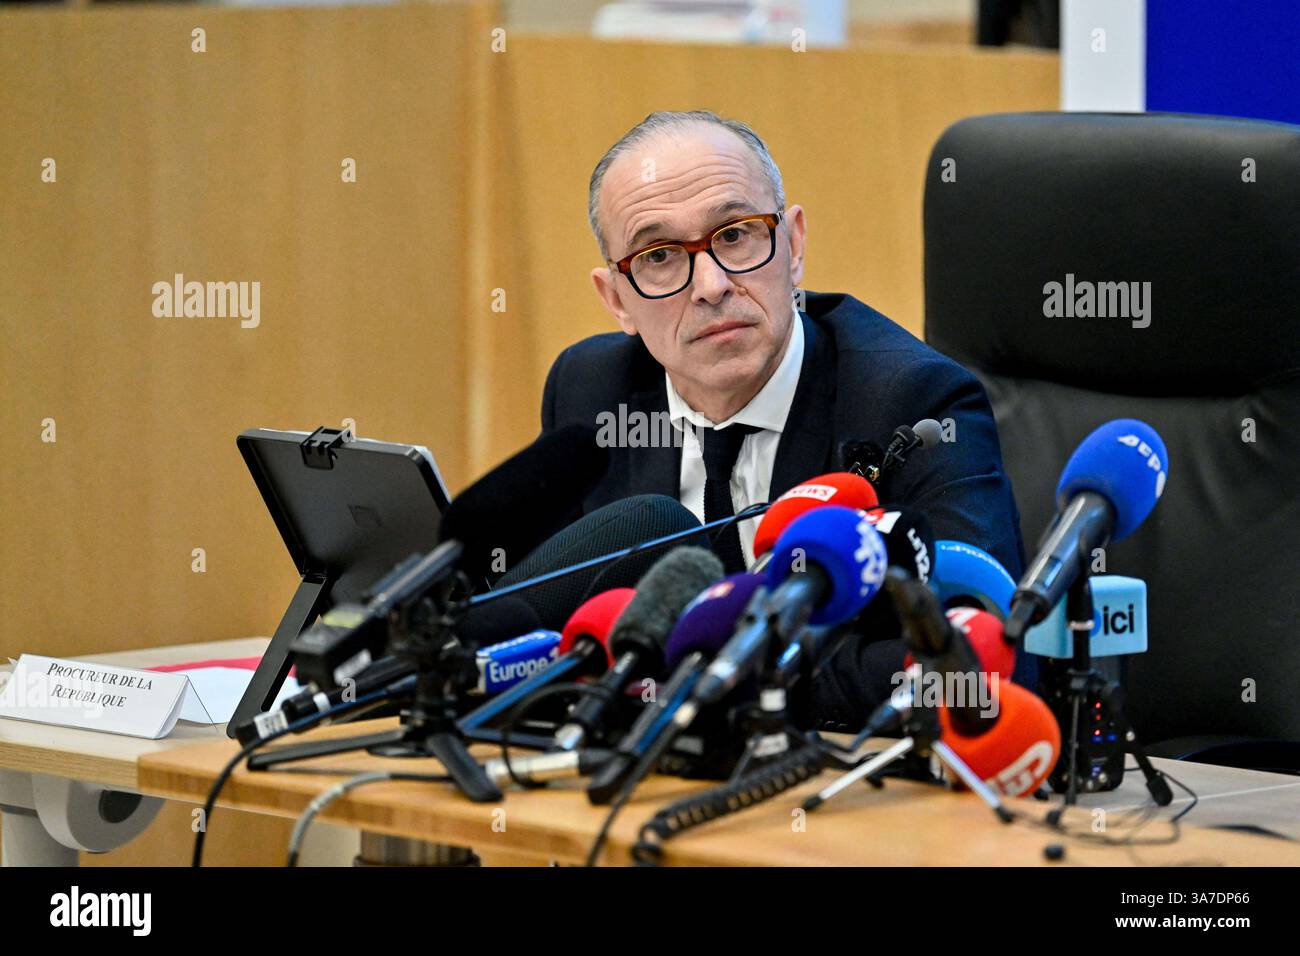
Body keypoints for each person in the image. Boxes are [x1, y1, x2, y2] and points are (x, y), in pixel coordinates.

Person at [541, 110, 1027, 726]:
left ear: (793, 245)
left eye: (736, 234)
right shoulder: (589, 393)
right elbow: (543, 621)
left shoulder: (913, 406)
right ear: (616, 298)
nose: (712, 285)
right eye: (660, 254)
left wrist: (718, 688)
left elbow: (971, 658)